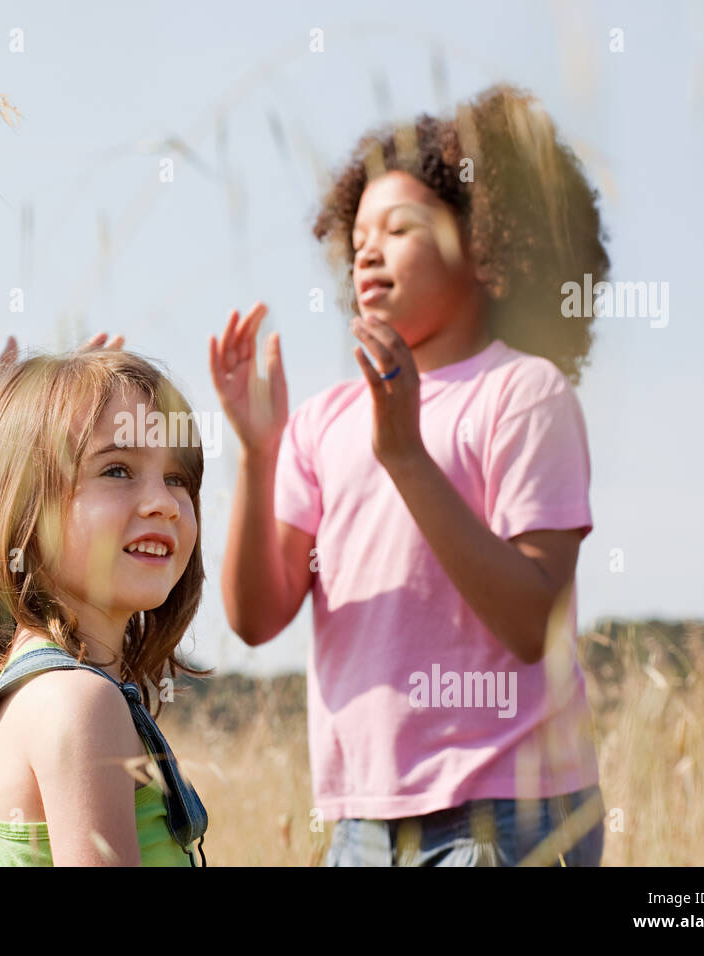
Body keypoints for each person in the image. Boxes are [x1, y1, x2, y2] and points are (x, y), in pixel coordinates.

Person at [210, 84, 610, 866]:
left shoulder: (523, 393)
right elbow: (257, 617)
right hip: (362, 827)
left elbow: (535, 619)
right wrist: (259, 455)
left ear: (484, 245)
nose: (367, 249)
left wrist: (406, 457)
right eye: (357, 235)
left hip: (506, 813)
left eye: (399, 228)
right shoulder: (325, 421)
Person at [0, 349, 209, 866]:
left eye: (177, 478)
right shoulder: (78, 703)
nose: (163, 502)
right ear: (22, 507)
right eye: (118, 469)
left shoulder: (34, 690)